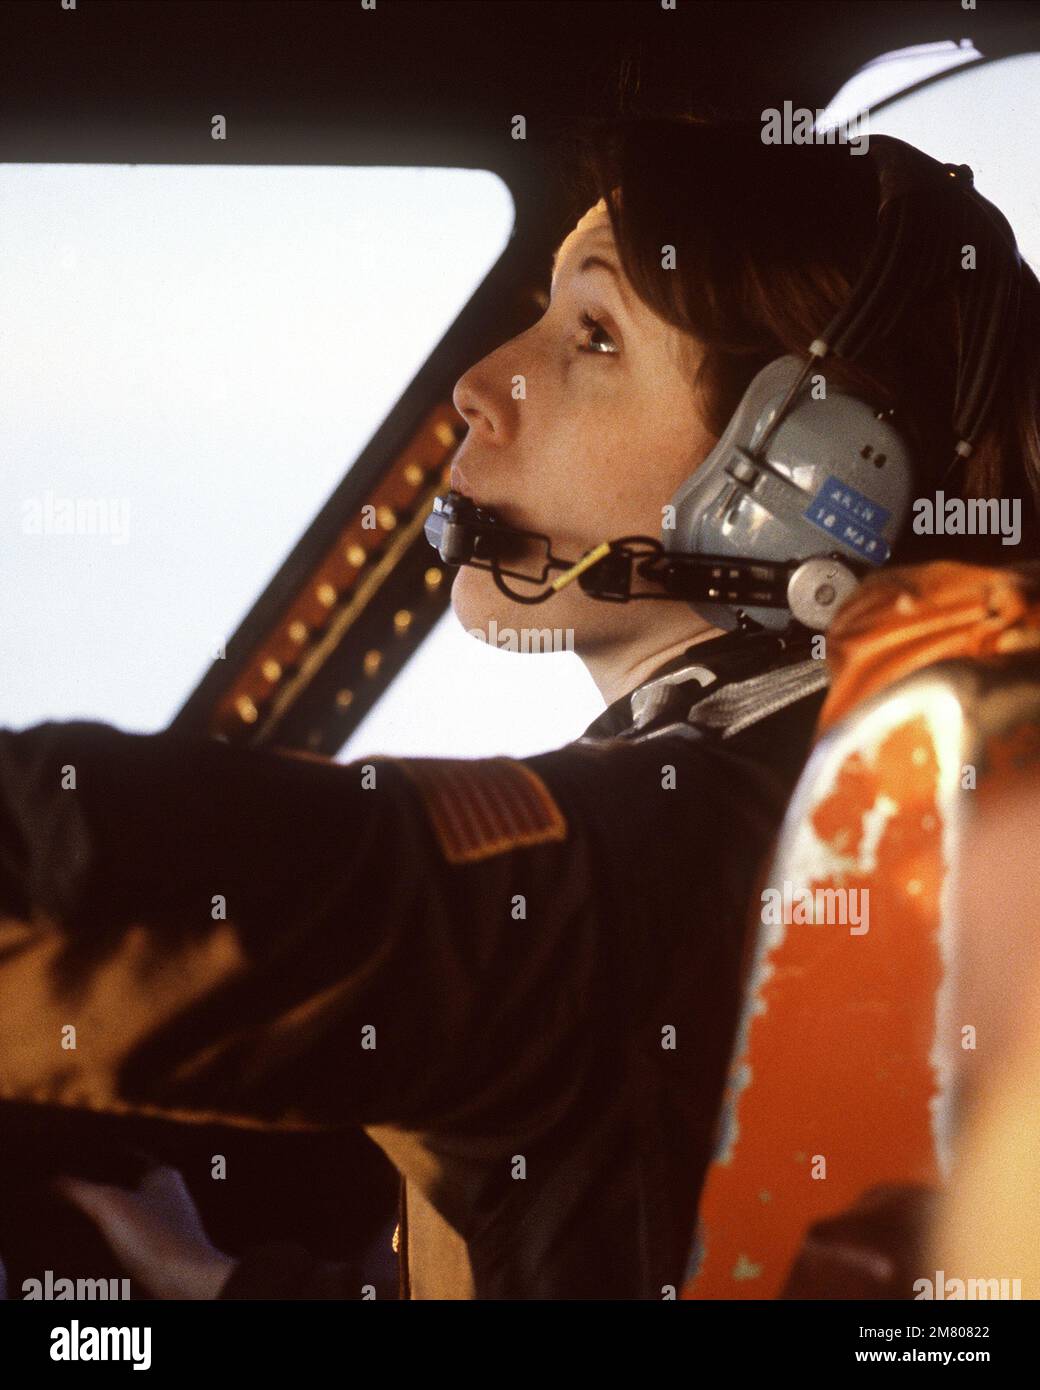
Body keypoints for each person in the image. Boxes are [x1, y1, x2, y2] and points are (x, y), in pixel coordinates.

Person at [1, 116, 1039, 1300]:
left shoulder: (685, 850)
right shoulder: (863, 783)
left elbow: (196, 886)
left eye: (593, 338)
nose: (480, 385)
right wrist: (210, 1282)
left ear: (796, 486)